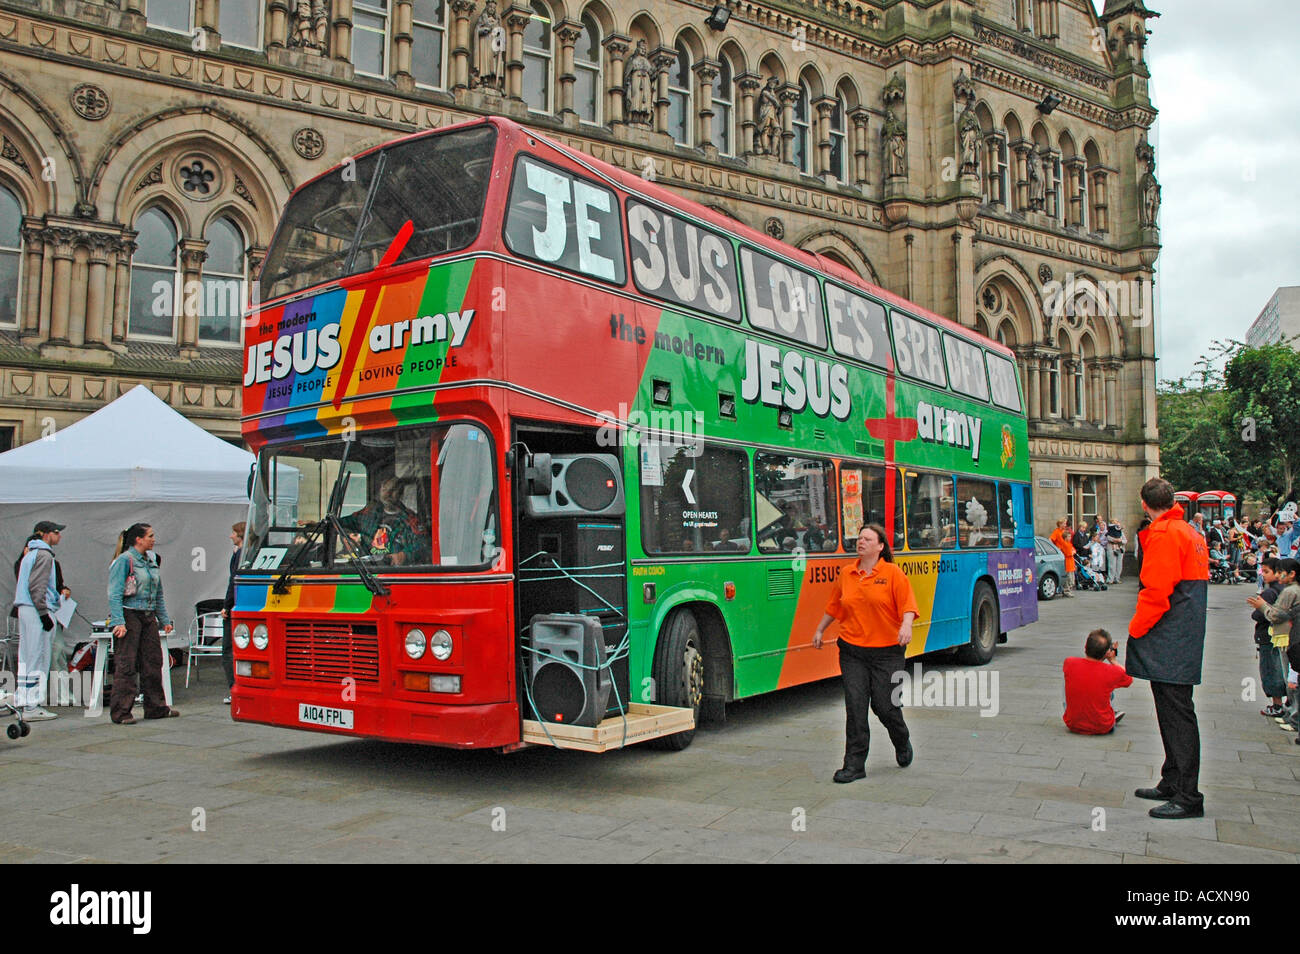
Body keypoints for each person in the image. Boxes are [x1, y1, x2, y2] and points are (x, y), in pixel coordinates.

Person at [1125, 477, 1209, 819]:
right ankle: (1172, 780)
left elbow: (1156, 592)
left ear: (1145, 504)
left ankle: (1189, 796)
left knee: (1177, 716)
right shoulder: (1189, 531)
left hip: (1170, 635)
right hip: (1184, 631)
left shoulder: (1164, 534)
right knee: (1174, 710)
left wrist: (1135, 629)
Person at [812, 523, 920, 783]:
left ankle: (901, 740)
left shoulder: (893, 573)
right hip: (853, 652)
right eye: (859, 538)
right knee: (856, 708)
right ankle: (854, 765)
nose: (861, 542)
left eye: (867, 539)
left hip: (888, 652)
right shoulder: (847, 573)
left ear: (880, 546)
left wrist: (906, 625)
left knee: (885, 706)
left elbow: (907, 604)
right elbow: (835, 606)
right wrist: (819, 630)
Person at [106, 523, 178, 724]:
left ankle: (156, 707)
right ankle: (121, 712)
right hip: (130, 614)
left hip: (148, 616)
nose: (154, 539)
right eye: (150, 536)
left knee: (154, 661)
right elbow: (114, 594)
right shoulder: (124, 561)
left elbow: (158, 593)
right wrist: (118, 622)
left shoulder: (152, 560)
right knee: (127, 664)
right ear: (138, 539)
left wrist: (163, 619)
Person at [11, 520, 65, 721]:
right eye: (56, 532)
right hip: (36, 609)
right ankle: (33, 705)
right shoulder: (44, 555)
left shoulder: (30, 554)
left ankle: (23, 700)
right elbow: (38, 587)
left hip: (25, 608)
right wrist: (44, 614)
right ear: (46, 535)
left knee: (26, 655)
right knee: (39, 655)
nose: (59, 536)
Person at [1248, 559, 1300, 734]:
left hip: (1283, 637)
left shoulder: (1288, 591)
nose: (1277, 576)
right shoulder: (1288, 590)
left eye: (1278, 572)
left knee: (1289, 678)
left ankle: (1291, 715)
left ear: (1291, 573)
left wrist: (1262, 607)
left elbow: (1276, 615)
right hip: (1287, 636)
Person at [338, 476, 423, 565]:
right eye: (384, 489)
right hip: (368, 569)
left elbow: (422, 546)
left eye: (393, 490)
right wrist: (347, 537)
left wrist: (404, 555)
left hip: (396, 572)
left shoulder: (411, 519)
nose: (387, 494)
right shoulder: (367, 514)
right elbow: (340, 524)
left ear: (401, 493)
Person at [1063, 628, 1133, 734]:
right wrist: (1112, 660)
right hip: (1102, 726)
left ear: (1085, 647)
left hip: (1072, 724)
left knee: (1074, 684)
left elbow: (1090, 669)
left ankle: (1078, 714)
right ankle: (1110, 714)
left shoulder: (1070, 662)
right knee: (1108, 687)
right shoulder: (1112, 671)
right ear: (1106, 652)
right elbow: (1128, 680)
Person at [1249, 558, 1287, 718]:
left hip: (1268, 635)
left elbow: (1259, 614)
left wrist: (1259, 609)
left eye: (1266, 572)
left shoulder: (1270, 592)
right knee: (1279, 668)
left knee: (1270, 669)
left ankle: (1277, 704)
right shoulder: (1284, 590)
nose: (1263, 575)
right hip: (1281, 636)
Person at [220, 521, 245, 705]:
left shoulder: (239, 555)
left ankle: (234, 687)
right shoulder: (248, 553)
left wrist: (226, 606)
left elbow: (233, 582)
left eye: (233, 533)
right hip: (241, 603)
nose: (231, 536)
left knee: (228, 650)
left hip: (235, 605)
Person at [1050, 519, 1076, 597]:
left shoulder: (1065, 532)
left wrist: (1073, 551)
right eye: (1064, 523)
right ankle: (1066, 590)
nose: (1065, 524)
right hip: (1063, 554)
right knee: (1067, 576)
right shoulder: (1057, 531)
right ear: (1060, 524)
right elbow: (1051, 539)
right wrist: (1056, 549)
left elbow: (1071, 547)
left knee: (1071, 577)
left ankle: (1067, 589)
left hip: (1069, 556)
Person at [1106, 520, 1127, 584]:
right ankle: (1110, 579)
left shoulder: (1121, 532)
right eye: (1114, 523)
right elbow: (1108, 538)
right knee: (1112, 564)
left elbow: (1125, 540)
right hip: (1111, 548)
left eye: (1117, 522)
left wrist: (1120, 541)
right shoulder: (1109, 532)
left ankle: (1117, 578)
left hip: (1120, 548)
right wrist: (1114, 540)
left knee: (1119, 564)